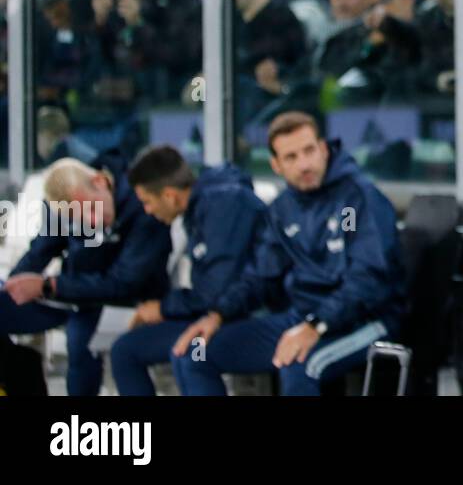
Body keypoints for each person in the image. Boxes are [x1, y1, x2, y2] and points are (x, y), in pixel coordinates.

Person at [171, 112, 406, 395]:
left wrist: (316, 325)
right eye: (291, 157)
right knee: (194, 354)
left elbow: (367, 280)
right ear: (276, 165)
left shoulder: (355, 200)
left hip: (364, 321)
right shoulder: (283, 209)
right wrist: (218, 314)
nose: (304, 164)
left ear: (322, 148)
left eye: (309, 151)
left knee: (298, 365)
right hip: (301, 318)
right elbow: (261, 276)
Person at [0, 156, 171, 395]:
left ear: (100, 182)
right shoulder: (63, 204)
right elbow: (40, 251)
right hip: (81, 296)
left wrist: (49, 286)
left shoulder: (143, 201)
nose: (93, 221)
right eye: (79, 219)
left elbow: (125, 282)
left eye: (92, 209)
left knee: (84, 344)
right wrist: (14, 285)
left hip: (136, 299)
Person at [109, 146, 267, 396]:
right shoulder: (202, 206)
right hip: (219, 311)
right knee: (125, 350)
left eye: (147, 202)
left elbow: (217, 291)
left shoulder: (223, 206)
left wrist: (162, 308)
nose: (147, 211)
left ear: (170, 196)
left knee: (190, 354)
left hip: (245, 314)